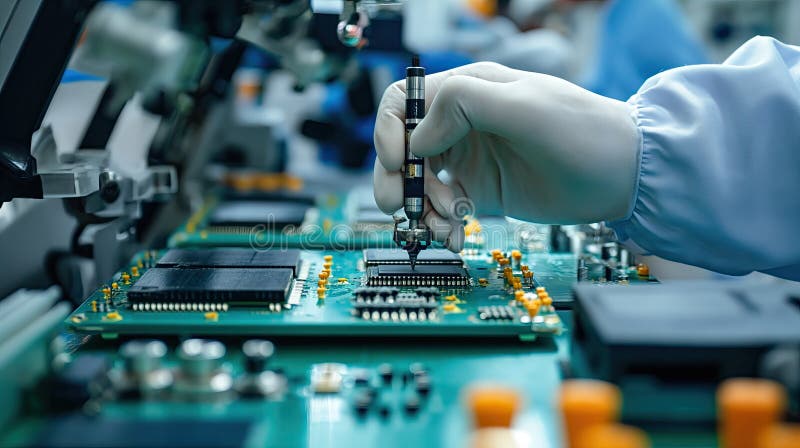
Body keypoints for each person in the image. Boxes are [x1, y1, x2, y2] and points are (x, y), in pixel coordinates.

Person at [372, 36, 800, 280]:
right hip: (684, 229)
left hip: (687, 246)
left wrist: (633, 154)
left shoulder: (642, 19)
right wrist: (636, 157)